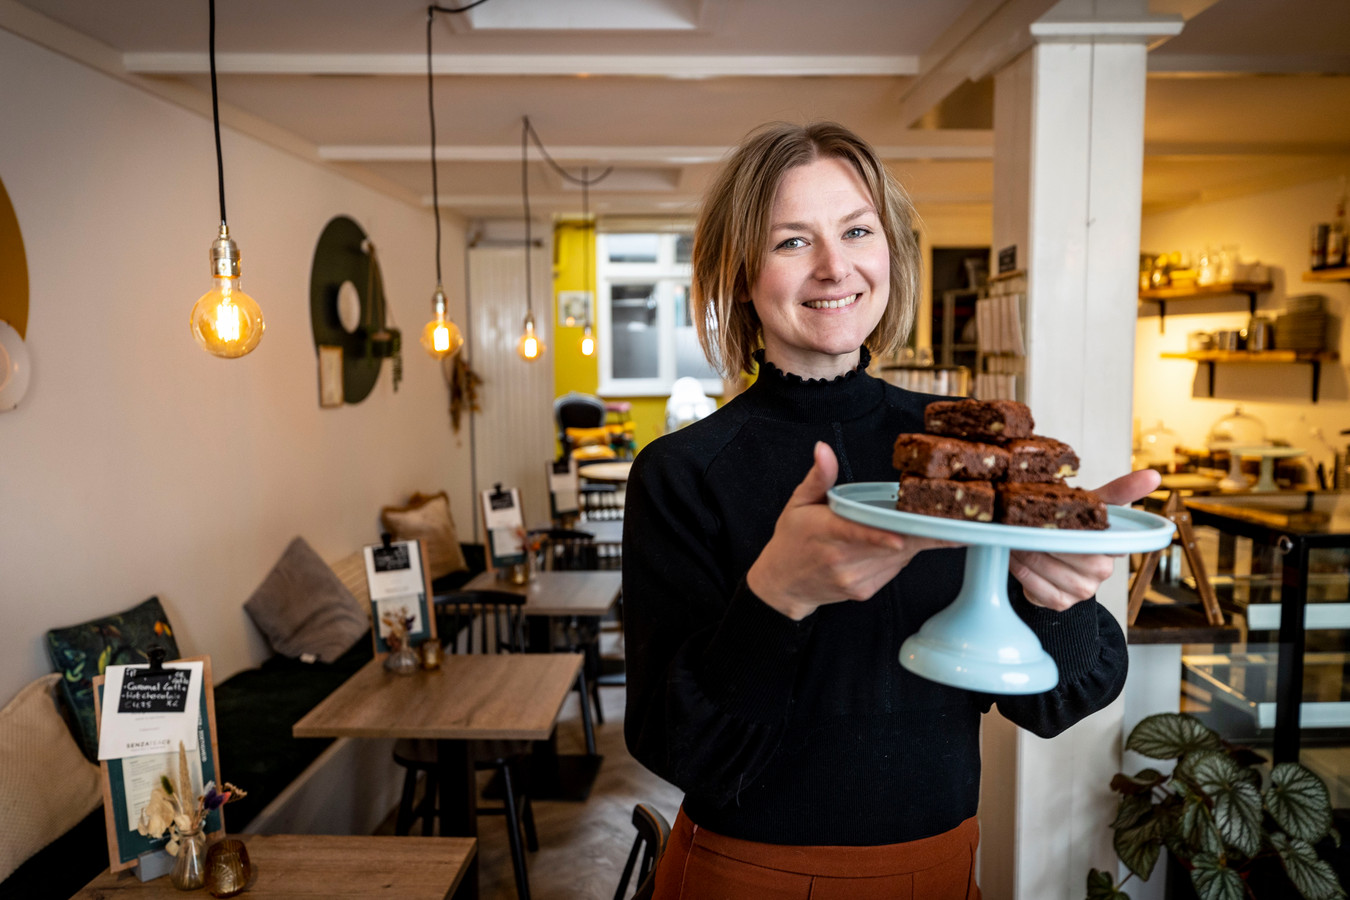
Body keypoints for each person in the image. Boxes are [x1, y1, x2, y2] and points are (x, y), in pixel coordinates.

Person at [621, 121, 1160, 899]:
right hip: (746, 877)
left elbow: (1057, 701)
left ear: (889, 251)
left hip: (940, 872)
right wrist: (778, 598)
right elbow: (682, 747)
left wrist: (1060, 598)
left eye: (856, 231)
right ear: (740, 275)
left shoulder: (959, 451)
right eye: (791, 242)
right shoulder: (682, 473)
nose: (835, 267)